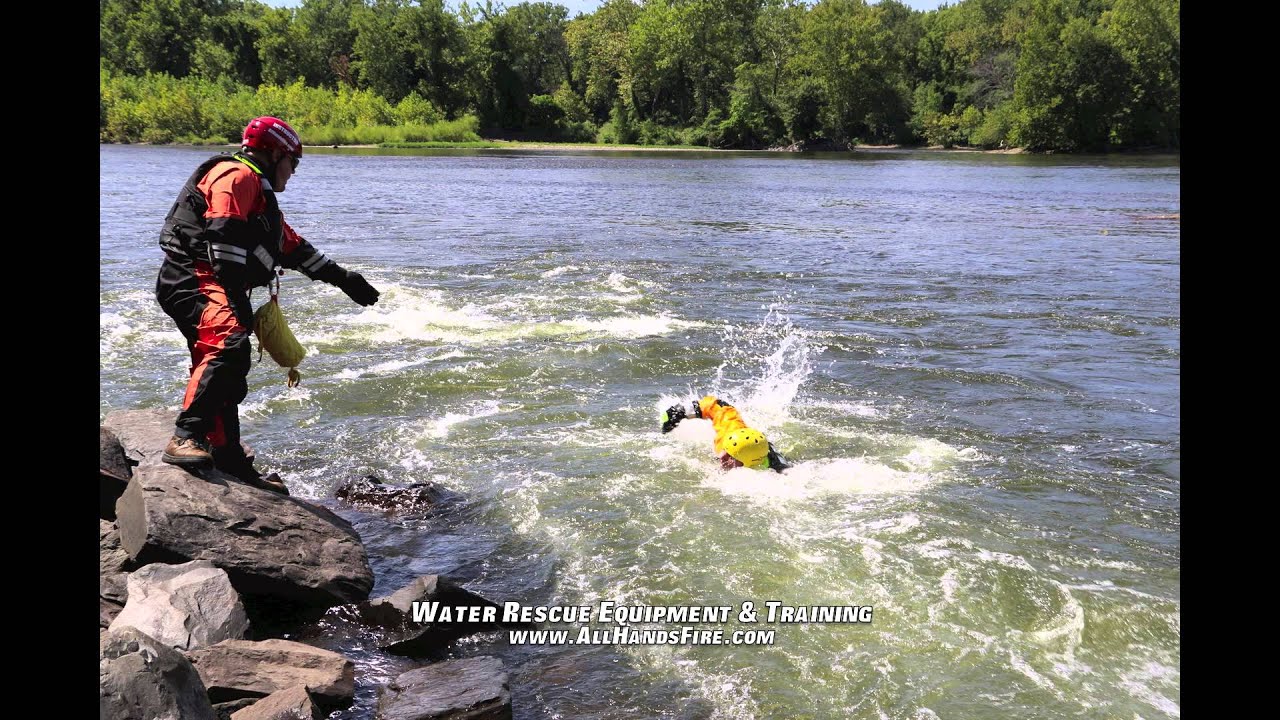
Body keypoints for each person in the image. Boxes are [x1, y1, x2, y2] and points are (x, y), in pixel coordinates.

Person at [155, 116, 380, 488]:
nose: (293, 173)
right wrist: (232, 299)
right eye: (293, 162)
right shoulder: (236, 176)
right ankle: (185, 437)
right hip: (193, 279)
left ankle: (228, 457)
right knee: (229, 348)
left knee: (229, 364)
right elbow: (222, 234)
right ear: (275, 153)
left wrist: (344, 280)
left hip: (215, 283)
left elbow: (292, 247)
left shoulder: (258, 195)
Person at [661, 395, 790, 472]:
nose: (722, 457)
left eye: (729, 456)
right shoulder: (731, 432)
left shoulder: (768, 472)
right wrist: (681, 411)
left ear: (741, 465)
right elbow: (718, 406)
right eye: (726, 450)